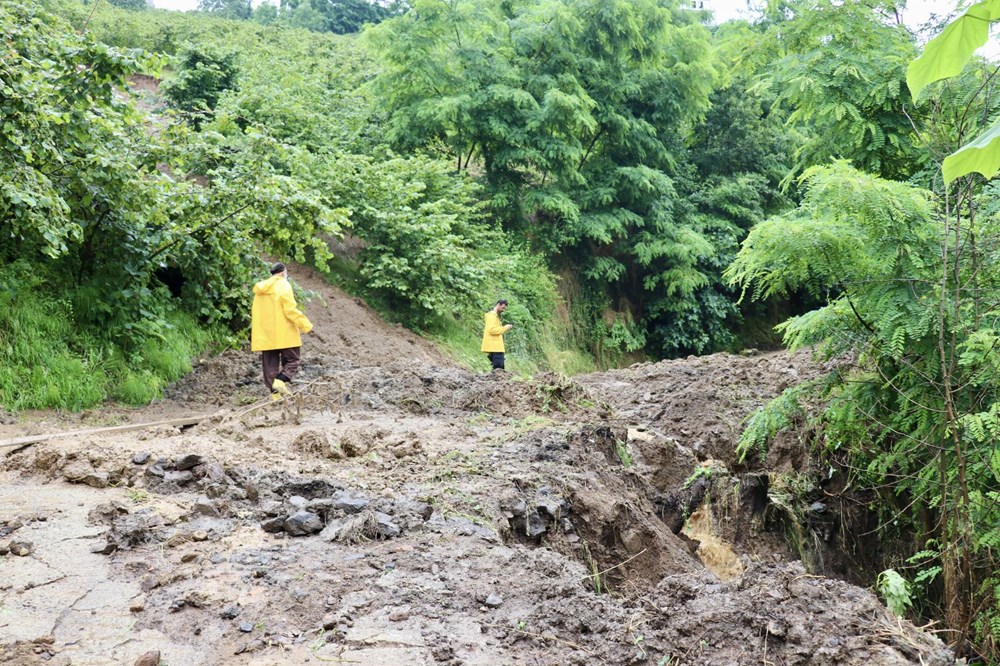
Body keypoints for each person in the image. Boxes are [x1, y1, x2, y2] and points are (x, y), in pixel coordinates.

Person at [251, 262, 313, 400]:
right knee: (292, 360)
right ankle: (280, 382)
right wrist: (305, 325)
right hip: (285, 333)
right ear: (283, 272)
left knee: (270, 365)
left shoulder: (260, 290)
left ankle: (276, 398)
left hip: (266, 335)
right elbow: (290, 310)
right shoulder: (284, 285)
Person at [481, 299, 513, 371]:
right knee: (498, 370)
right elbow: (492, 330)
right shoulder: (491, 316)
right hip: (495, 347)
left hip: (497, 347)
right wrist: (505, 328)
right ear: (498, 305)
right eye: (503, 308)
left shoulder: (495, 316)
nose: (503, 310)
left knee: (499, 370)